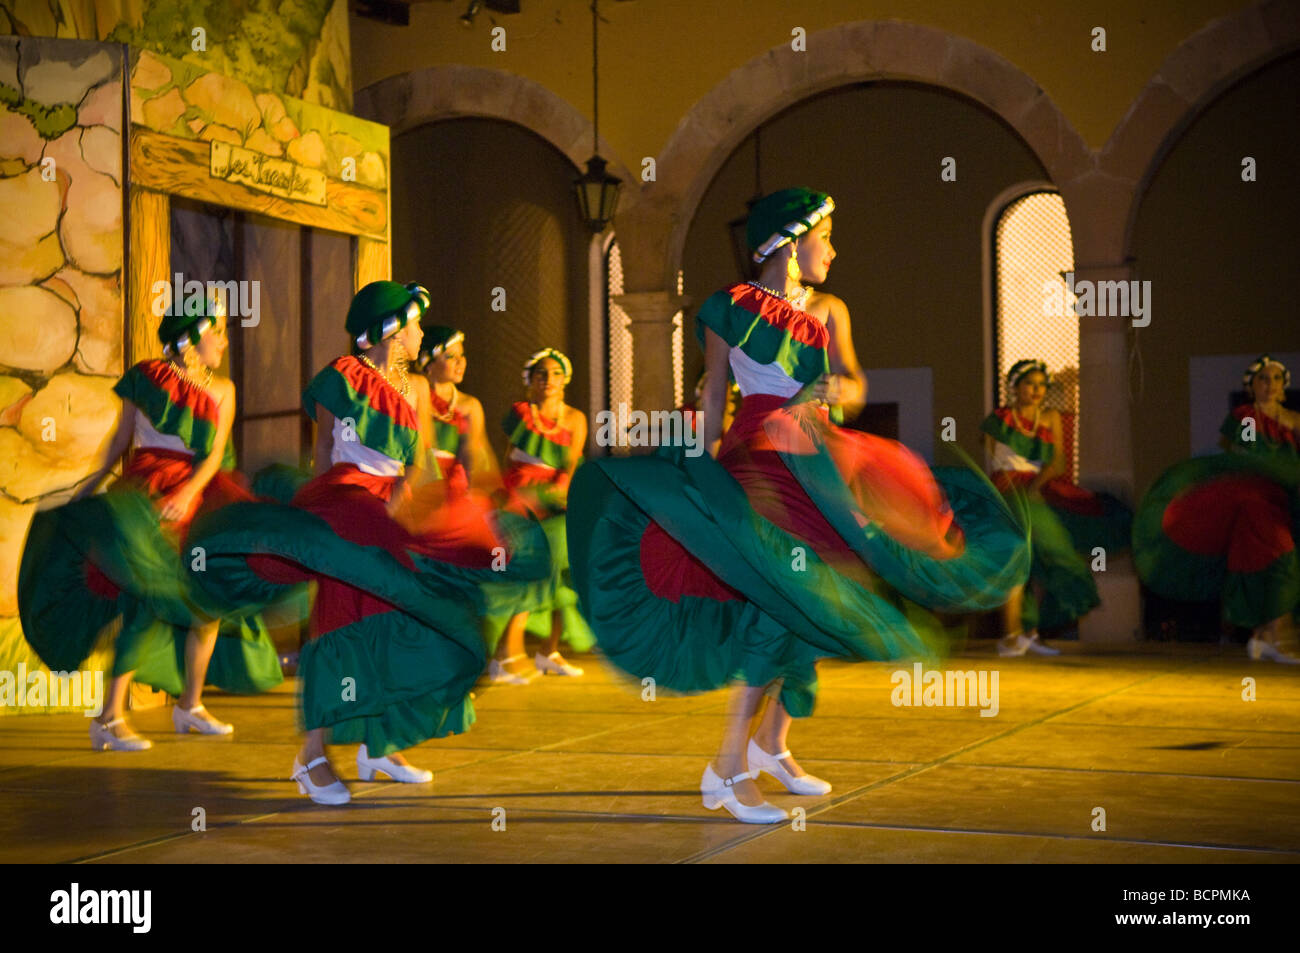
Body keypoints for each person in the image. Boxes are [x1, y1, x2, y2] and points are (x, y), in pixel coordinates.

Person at [567, 188, 1029, 823]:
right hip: (763, 456)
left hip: (824, 454)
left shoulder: (831, 310)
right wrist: (698, 470)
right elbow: (711, 398)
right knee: (783, 597)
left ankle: (769, 742)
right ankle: (726, 770)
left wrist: (839, 387)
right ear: (788, 241)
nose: (833, 250)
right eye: (826, 236)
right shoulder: (727, 308)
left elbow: (858, 386)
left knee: (828, 594)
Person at [183, 281, 548, 803]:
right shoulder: (341, 377)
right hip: (347, 500)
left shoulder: (416, 388)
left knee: (402, 614)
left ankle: (378, 745)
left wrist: (407, 500)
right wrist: (326, 523)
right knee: (342, 623)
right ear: (390, 330)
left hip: (391, 502)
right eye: (416, 324)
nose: (422, 332)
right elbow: (325, 456)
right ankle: (311, 756)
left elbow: (420, 458)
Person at [18, 294, 282, 750]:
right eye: (215, 331)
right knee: (144, 598)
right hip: (146, 493)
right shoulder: (146, 377)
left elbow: (215, 453)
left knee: (209, 601)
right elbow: (120, 440)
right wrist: (92, 484)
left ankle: (190, 707)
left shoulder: (224, 390)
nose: (222, 340)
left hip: (197, 492)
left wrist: (189, 492)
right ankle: (109, 717)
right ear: (191, 338)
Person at [1134, 355, 1300, 663]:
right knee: (1282, 559)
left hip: (1285, 502)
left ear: (1284, 385)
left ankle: (1262, 638)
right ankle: (1279, 638)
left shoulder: (1295, 420)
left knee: (1261, 568)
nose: (1270, 385)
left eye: (1276, 379)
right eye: (1263, 379)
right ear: (1252, 386)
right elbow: (1247, 457)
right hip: (1254, 502)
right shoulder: (1248, 418)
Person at [981, 360, 1131, 656]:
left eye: (1041, 385)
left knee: (1043, 562)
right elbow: (995, 459)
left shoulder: (1049, 417)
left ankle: (1030, 633)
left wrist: (1035, 488)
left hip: (1038, 492)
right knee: (1017, 563)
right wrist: (1013, 489)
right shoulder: (999, 418)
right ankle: (1011, 636)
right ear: (1015, 387)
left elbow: (1058, 463)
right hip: (1008, 494)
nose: (1036, 390)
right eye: (1029, 384)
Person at [489, 348, 591, 682]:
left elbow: (571, 466)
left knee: (563, 572)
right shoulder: (521, 413)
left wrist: (561, 493)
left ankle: (549, 651)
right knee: (527, 571)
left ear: (565, 380)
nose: (548, 380)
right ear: (530, 381)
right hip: (521, 502)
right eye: (541, 374)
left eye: (555, 374)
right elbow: (509, 461)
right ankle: (505, 654)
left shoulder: (575, 418)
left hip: (557, 500)